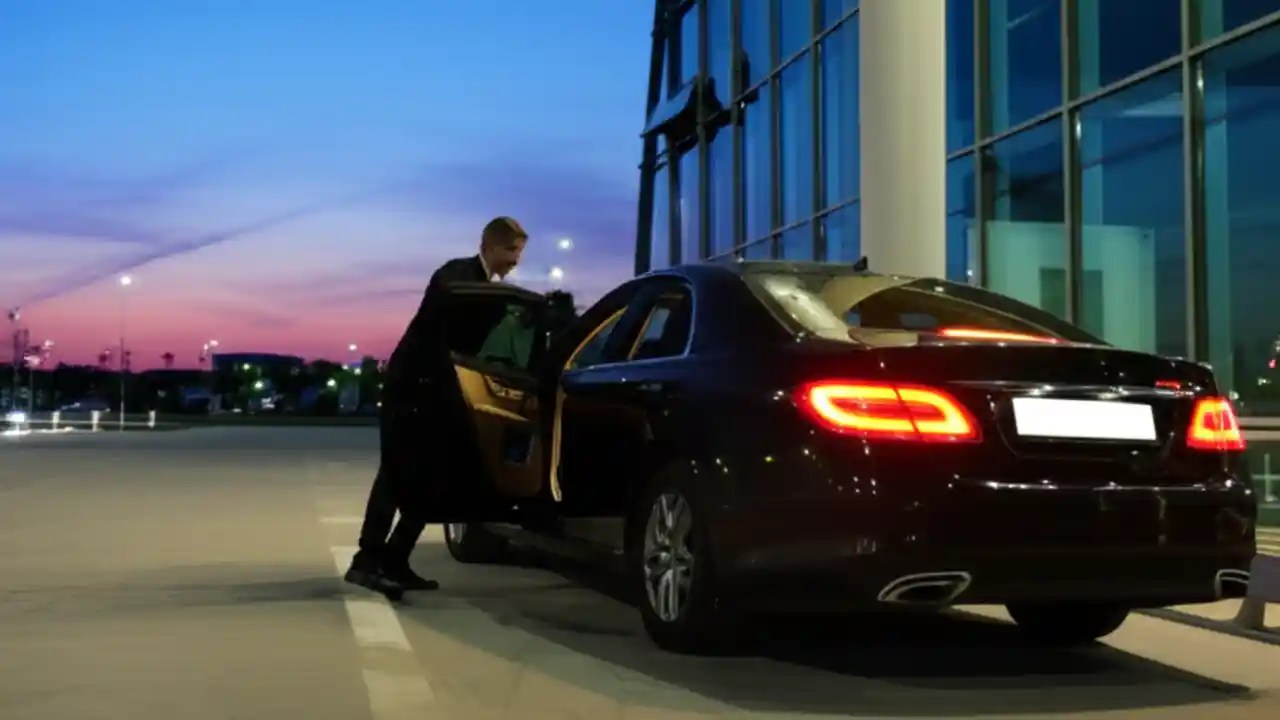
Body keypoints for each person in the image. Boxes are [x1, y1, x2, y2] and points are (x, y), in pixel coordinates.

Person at [344, 216, 528, 597]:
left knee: (431, 479)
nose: (515, 260)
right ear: (490, 246)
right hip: (411, 387)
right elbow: (446, 309)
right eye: (511, 250)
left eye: (519, 252)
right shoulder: (456, 274)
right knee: (396, 474)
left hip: (441, 391)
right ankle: (366, 562)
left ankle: (396, 559)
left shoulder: (491, 293)